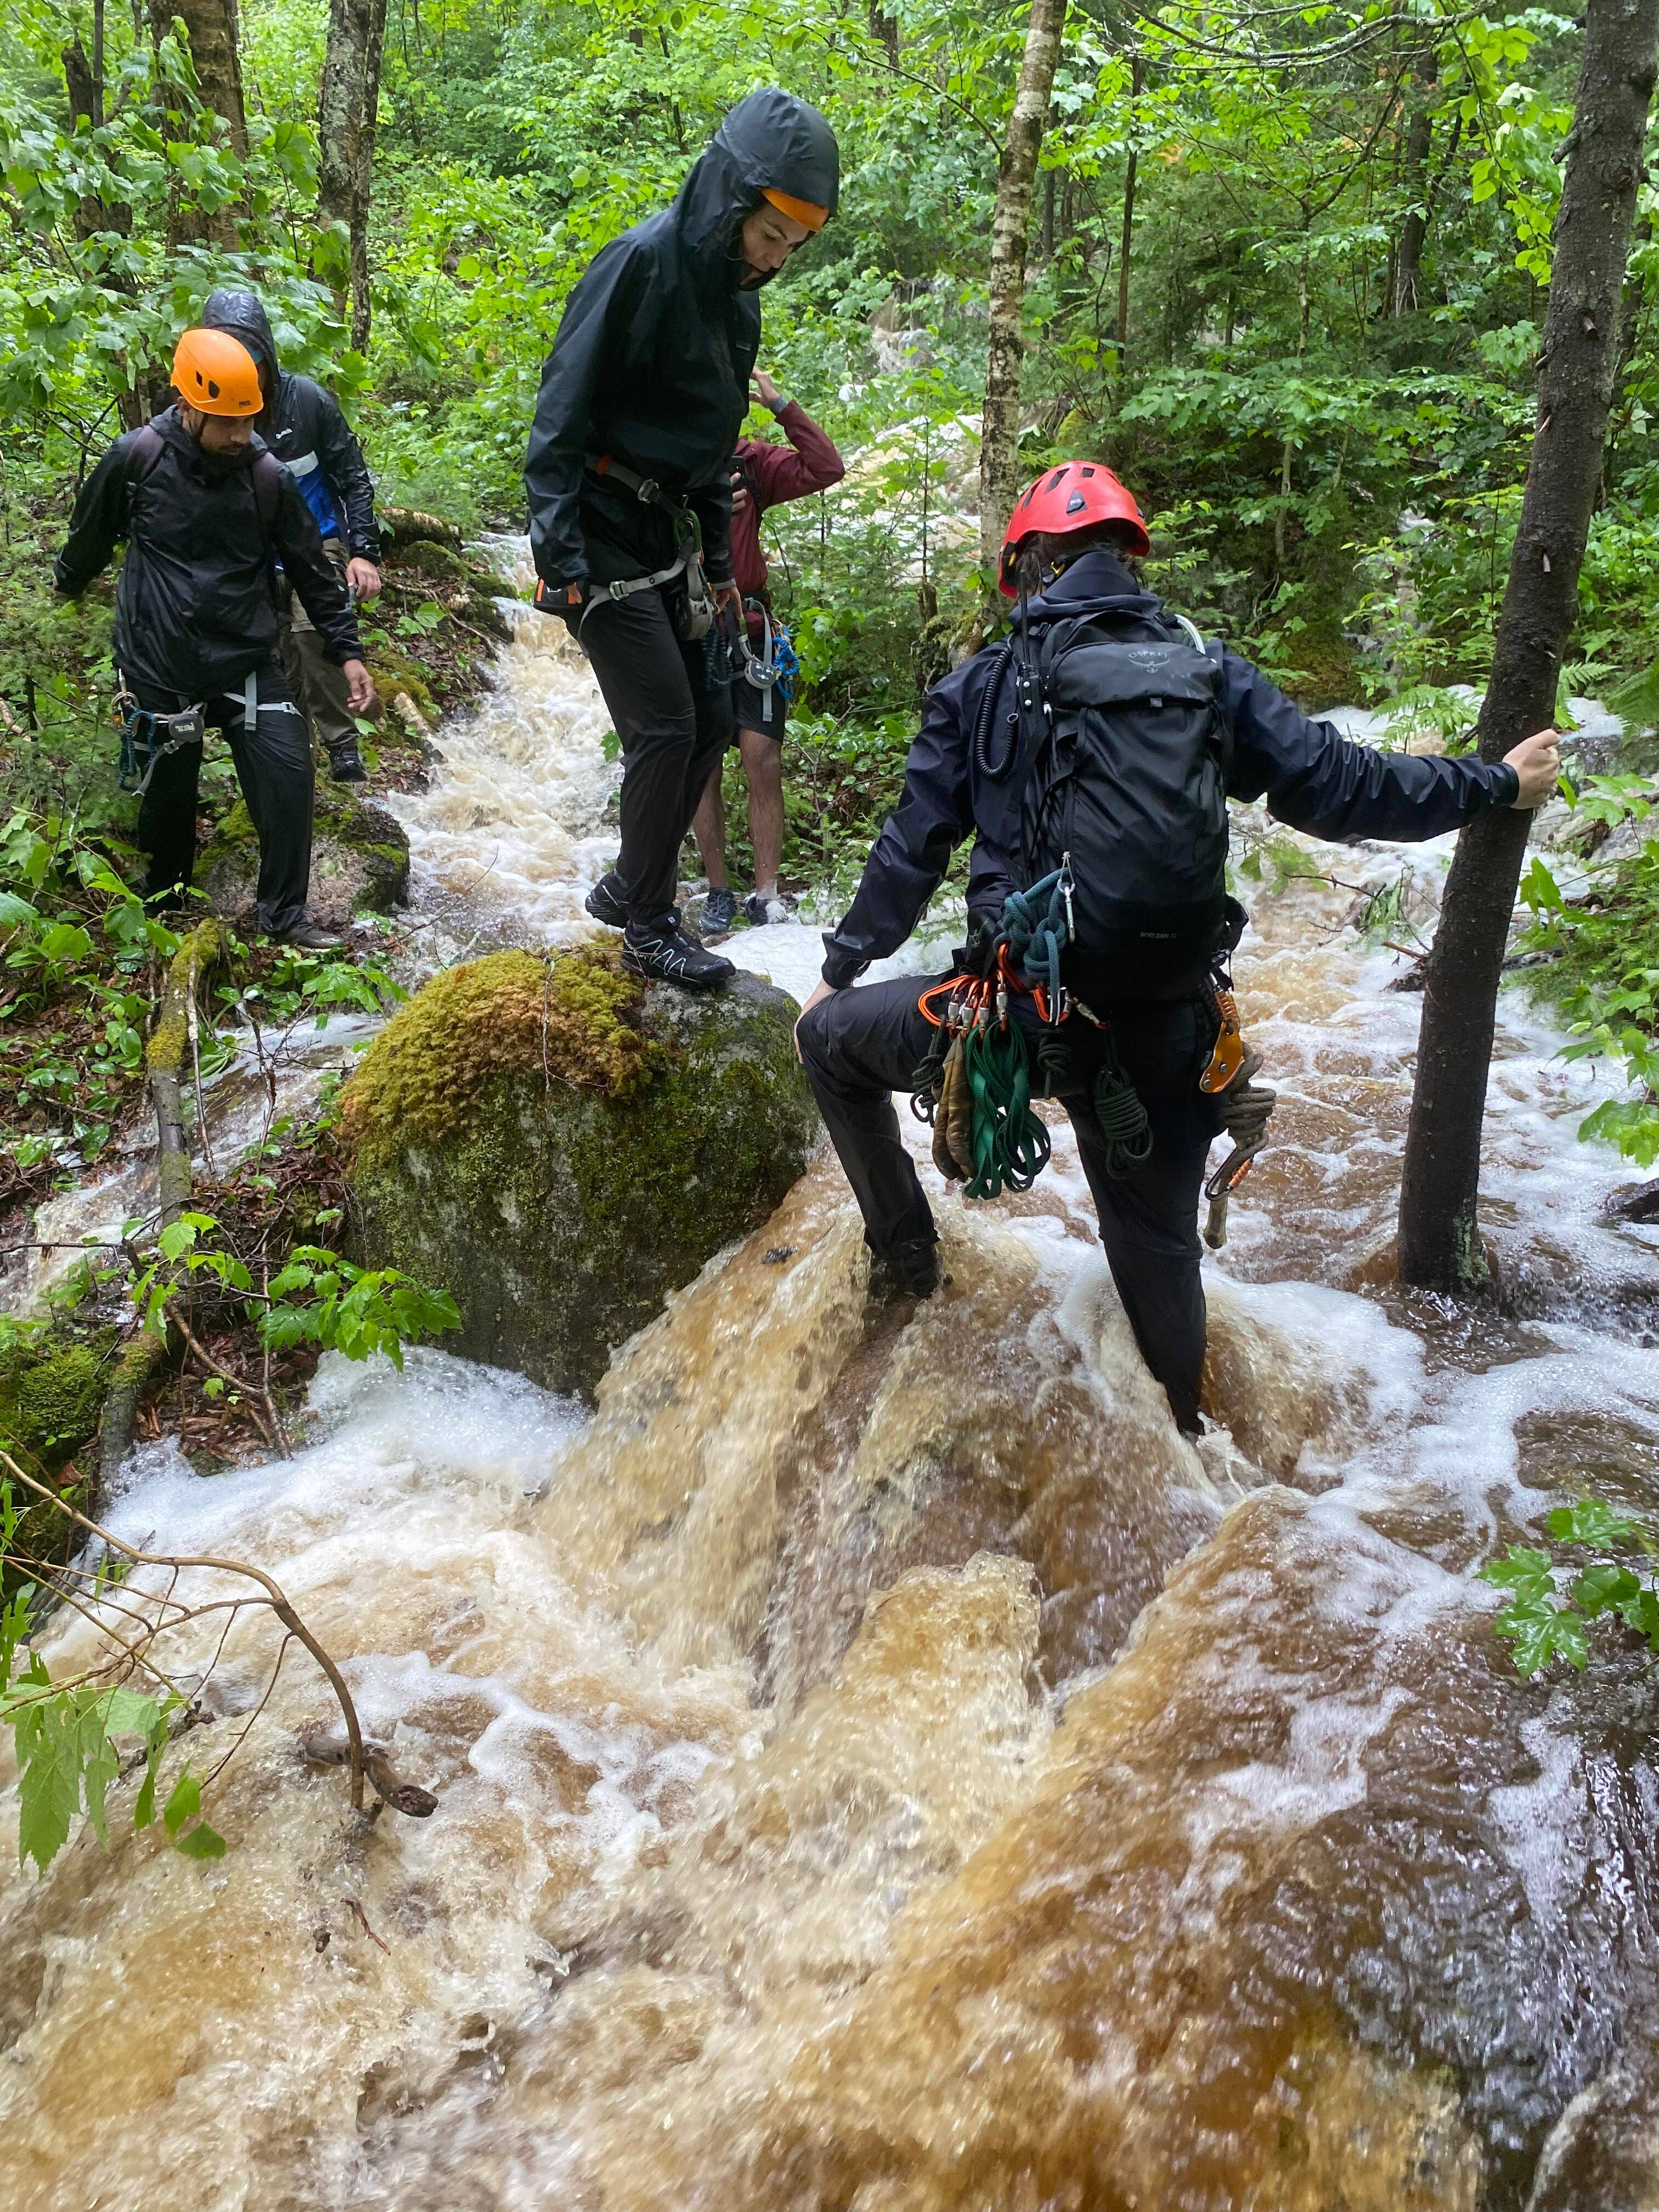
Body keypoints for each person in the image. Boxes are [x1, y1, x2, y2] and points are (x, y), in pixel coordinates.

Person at [793, 461, 1562, 1436]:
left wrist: (837, 973)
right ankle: (1187, 1453)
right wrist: (1491, 782)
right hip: (1162, 1023)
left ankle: (904, 1263)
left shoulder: (980, 687)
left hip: (1012, 1019)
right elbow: (1342, 788)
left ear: (1025, 568)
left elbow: (911, 851)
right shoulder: (1208, 677)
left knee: (826, 1045)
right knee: (1157, 1260)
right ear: (1129, 562)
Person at [524, 87, 839, 990]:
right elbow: (558, 414)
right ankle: (650, 924)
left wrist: (715, 564)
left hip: (665, 535)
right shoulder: (638, 265)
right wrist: (560, 560)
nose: (775, 258)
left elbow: (711, 452)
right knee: (663, 727)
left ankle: (630, 882)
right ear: (732, 198)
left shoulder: (737, 306)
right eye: (769, 234)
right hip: (594, 527)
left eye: (793, 246)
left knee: (708, 719)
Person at [54, 328, 376, 949]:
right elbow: (89, 537)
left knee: (289, 775)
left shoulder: (267, 477)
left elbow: (312, 570)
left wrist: (348, 652)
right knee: (168, 801)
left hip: (247, 659)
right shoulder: (136, 459)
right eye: (227, 423)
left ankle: (283, 915)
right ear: (190, 406)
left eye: (248, 420)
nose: (240, 436)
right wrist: (66, 587)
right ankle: (165, 902)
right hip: (160, 662)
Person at [202, 287, 384, 785]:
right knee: (273, 653)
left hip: (318, 541)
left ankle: (344, 746)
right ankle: (291, 757)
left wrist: (363, 552)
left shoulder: (307, 401)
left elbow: (352, 477)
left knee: (312, 633)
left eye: (253, 357)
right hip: (249, 553)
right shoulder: (200, 413)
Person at [691, 367, 845, 932]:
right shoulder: (672, 462)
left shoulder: (750, 463)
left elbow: (827, 466)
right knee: (702, 763)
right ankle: (717, 892)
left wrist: (783, 404)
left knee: (763, 759)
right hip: (691, 630)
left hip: (748, 631)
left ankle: (766, 893)